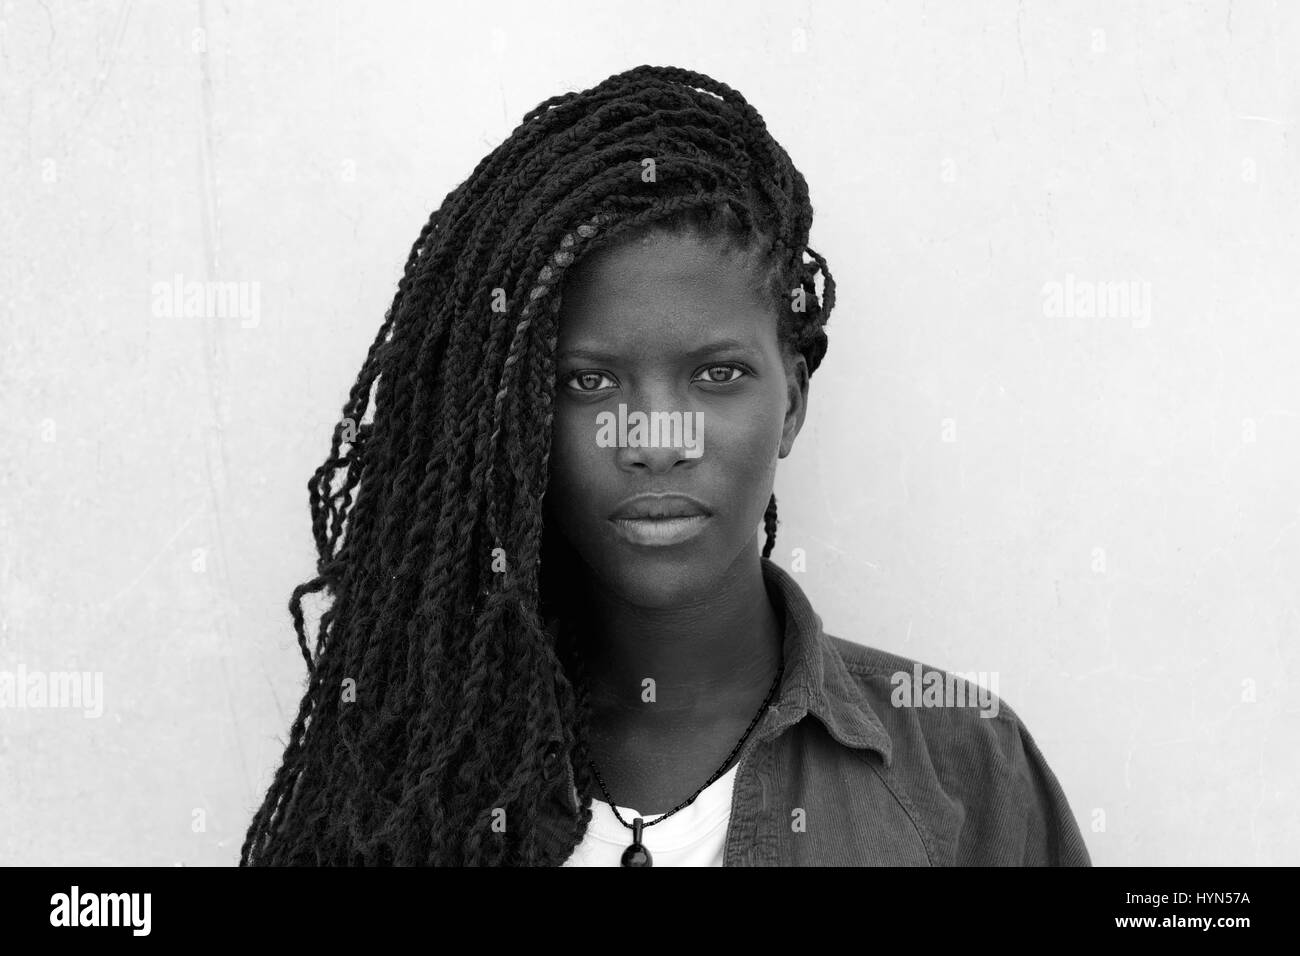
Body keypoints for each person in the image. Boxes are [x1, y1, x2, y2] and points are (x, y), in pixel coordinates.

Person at [240, 64, 1091, 867]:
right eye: (590, 381)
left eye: (718, 375)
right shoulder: (406, 776)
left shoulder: (963, 767)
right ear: (517, 420)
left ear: (791, 403)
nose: (656, 436)